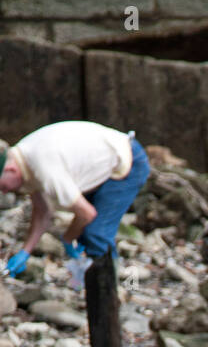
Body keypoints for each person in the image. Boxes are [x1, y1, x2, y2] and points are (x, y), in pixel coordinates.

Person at [0, 119, 150, 277]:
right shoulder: (23, 156)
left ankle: (108, 295)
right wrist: (25, 252)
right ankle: (96, 288)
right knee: (88, 235)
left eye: (2, 186)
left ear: (11, 170)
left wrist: (67, 238)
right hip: (103, 165)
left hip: (128, 163)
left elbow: (87, 214)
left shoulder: (45, 167)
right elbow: (43, 212)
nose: (4, 192)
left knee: (96, 234)